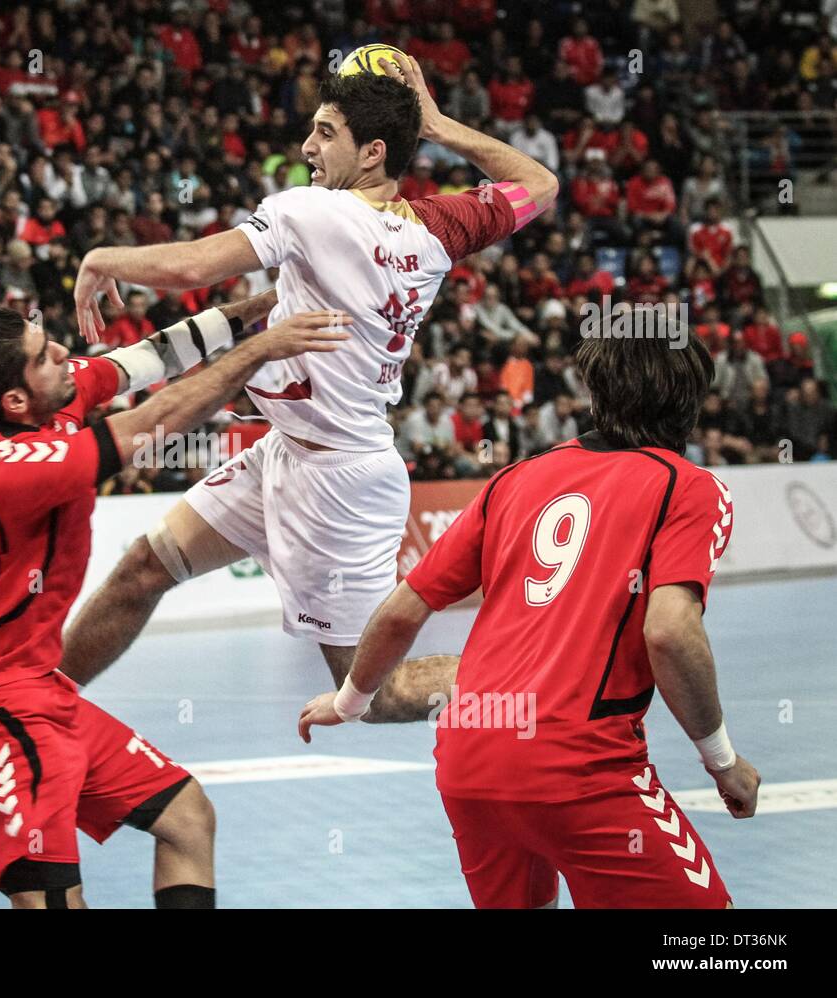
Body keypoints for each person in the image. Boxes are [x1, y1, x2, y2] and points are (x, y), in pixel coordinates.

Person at [64, 55, 556, 692]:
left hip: (336, 482)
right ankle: (37, 703)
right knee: (143, 567)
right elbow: (539, 184)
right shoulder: (438, 228)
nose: (307, 146)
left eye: (326, 132)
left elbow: (197, 266)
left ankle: (546, 672)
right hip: (288, 452)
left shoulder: (310, 211)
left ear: (373, 152)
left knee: (374, 693)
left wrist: (103, 256)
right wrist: (437, 126)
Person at [299, 332, 759, 909]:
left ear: (594, 395)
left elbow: (400, 612)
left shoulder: (513, 479)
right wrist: (722, 761)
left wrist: (348, 702)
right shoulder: (688, 488)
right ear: (691, 402)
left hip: (470, 763)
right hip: (581, 769)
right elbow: (669, 631)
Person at [0, 293, 349, 908]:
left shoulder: (49, 395)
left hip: (40, 690)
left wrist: (258, 307)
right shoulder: (4, 465)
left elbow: (148, 360)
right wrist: (263, 346)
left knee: (186, 816)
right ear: (15, 400)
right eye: (41, 357)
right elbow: (148, 424)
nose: (60, 354)